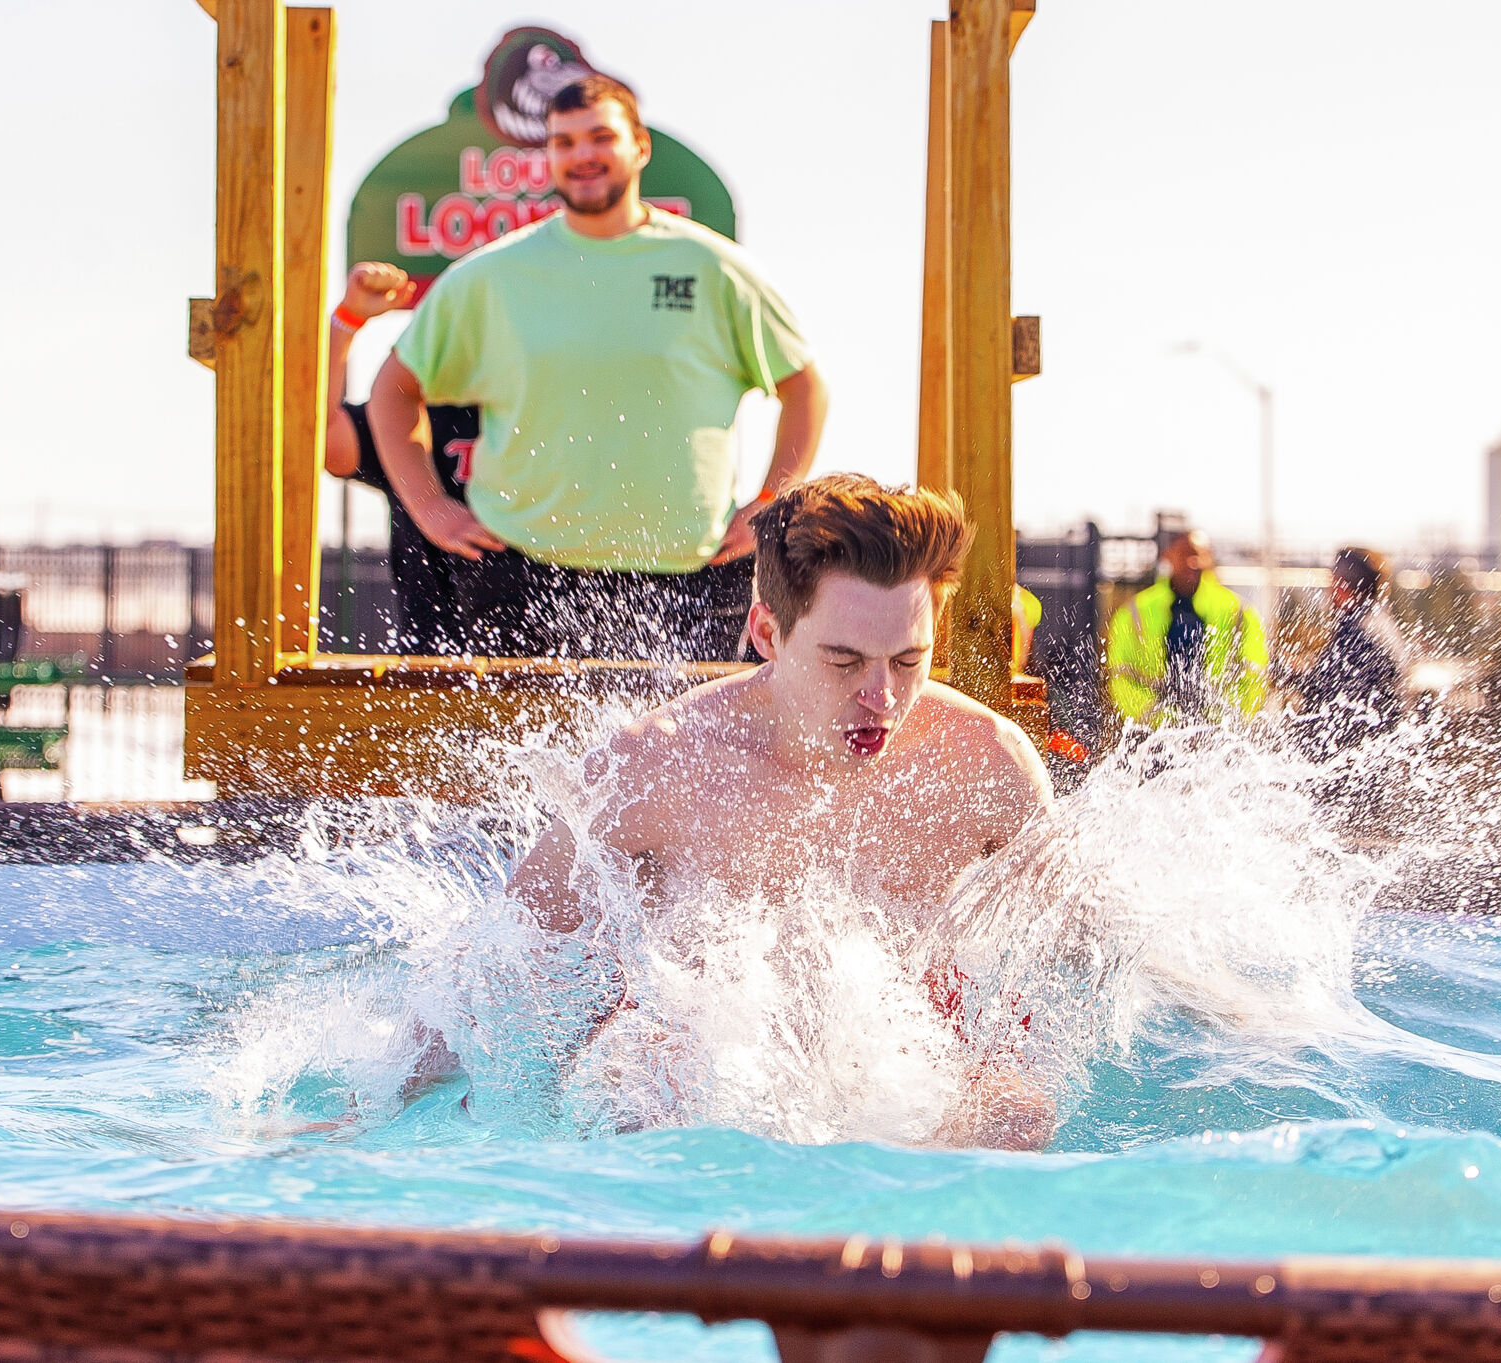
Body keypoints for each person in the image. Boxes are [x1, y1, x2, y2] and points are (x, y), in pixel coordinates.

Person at [509, 474, 1056, 1147]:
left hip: (898, 1078)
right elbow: (493, 965)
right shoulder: (661, 766)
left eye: (910, 658)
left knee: (1014, 1110)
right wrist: (368, 1118)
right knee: (647, 1072)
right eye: (844, 661)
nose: (882, 695)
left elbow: (1093, 940)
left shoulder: (984, 761)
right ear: (768, 631)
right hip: (706, 1076)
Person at [368, 72, 829, 661]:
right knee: (516, 756)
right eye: (564, 143)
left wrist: (772, 497)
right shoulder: (491, 275)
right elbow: (394, 390)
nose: (582, 155)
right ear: (548, 159)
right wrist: (430, 507)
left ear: (639, 147)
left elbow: (806, 387)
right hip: (522, 570)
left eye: (599, 137)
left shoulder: (714, 267)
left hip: (691, 572)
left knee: (684, 755)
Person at [321, 262, 482, 654]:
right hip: (435, 669)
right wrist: (345, 323)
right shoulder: (403, 417)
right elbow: (319, 437)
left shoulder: (553, 411)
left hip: (569, 661)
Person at [1106, 530, 1267, 726]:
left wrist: (1228, 722)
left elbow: (1254, 674)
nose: (1192, 561)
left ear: (1209, 559)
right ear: (1167, 556)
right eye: (1184, 554)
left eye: (1198, 554)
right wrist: (1159, 721)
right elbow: (1121, 676)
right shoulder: (1134, 612)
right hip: (1154, 734)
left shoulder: (1240, 612)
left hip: (1220, 733)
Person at [1287, 547, 1406, 762]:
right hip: (1375, 758)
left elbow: (1328, 691)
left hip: (1350, 762)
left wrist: (1290, 673)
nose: (1327, 589)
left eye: (1332, 579)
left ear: (1344, 584)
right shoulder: (1378, 623)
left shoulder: (1358, 633)